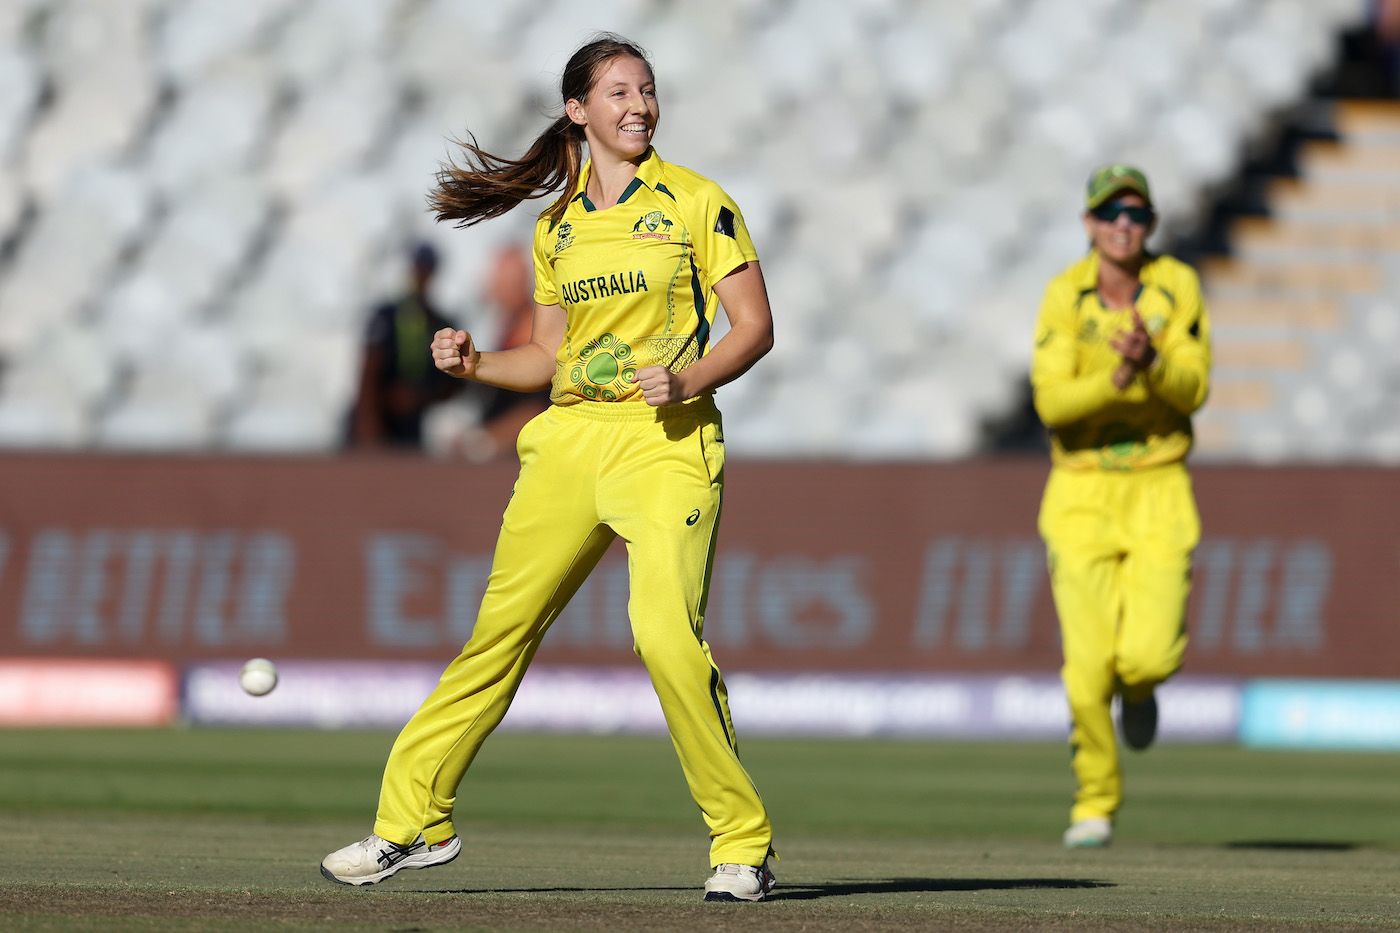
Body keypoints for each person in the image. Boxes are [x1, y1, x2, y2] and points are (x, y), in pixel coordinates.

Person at [320, 34, 778, 902]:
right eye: (619, 92)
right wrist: (475, 365)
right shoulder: (556, 226)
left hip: (665, 443)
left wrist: (688, 379)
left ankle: (741, 842)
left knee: (664, 636)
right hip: (568, 443)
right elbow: (547, 356)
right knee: (498, 634)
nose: (639, 105)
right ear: (578, 111)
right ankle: (412, 823)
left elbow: (754, 326)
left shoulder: (696, 201)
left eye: (646, 90)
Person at [1029, 165, 1212, 849]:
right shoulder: (1064, 294)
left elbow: (1194, 387)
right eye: (1110, 214)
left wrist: (1155, 363)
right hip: (1081, 489)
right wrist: (1121, 376)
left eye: (1135, 214)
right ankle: (1094, 801)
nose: (1122, 226)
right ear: (1089, 223)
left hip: (1159, 483)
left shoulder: (1177, 285)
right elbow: (1053, 403)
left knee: (1148, 658)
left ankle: (1140, 692)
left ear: (1151, 224)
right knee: (1086, 668)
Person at [346, 242, 463, 449]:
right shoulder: (387, 315)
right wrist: (368, 424)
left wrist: (419, 397)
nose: (421, 276)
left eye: (426, 270)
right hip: (376, 420)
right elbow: (369, 370)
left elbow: (455, 382)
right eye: (418, 268)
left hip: (410, 428)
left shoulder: (439, 322)